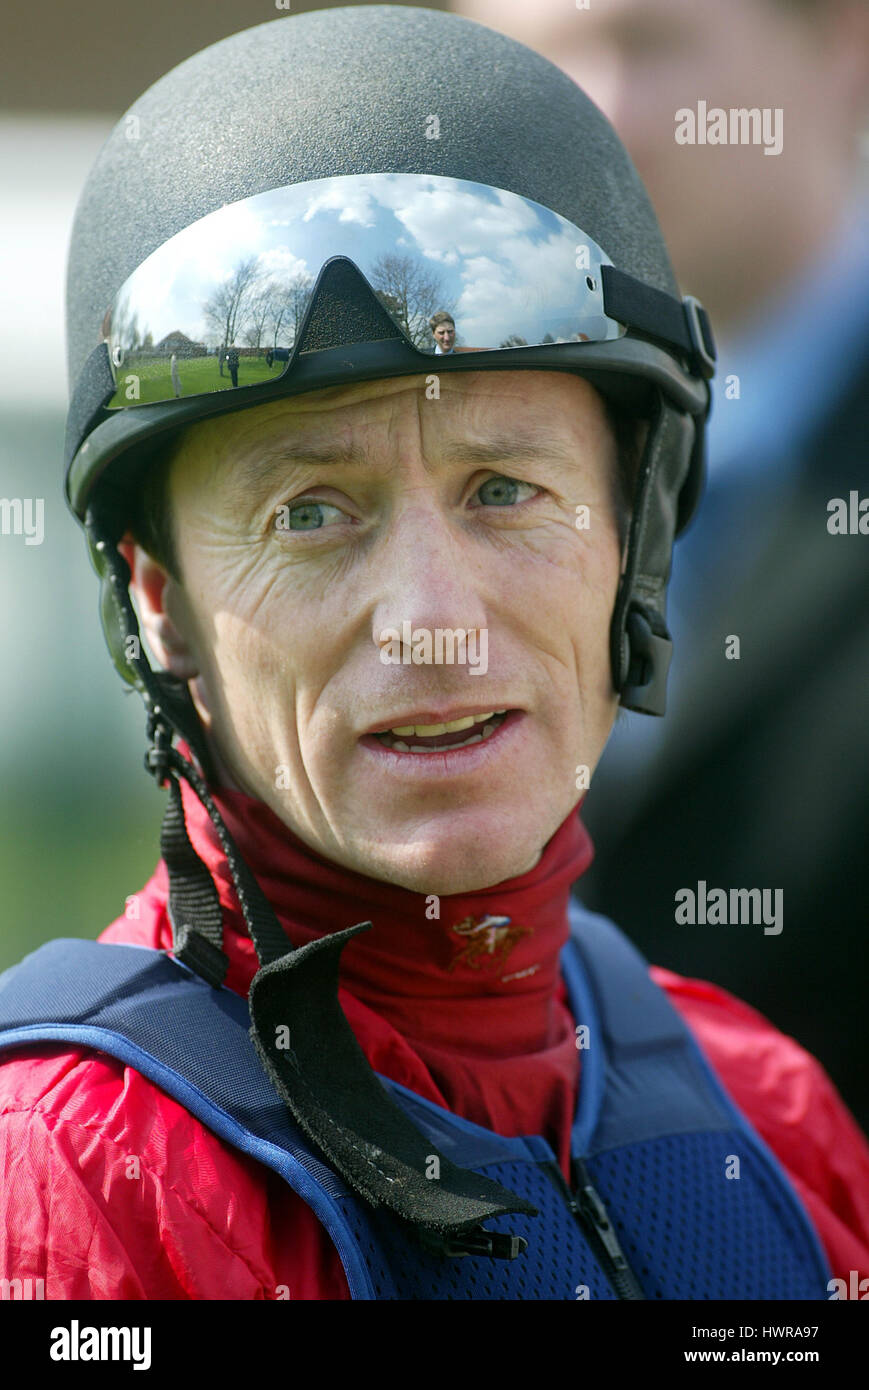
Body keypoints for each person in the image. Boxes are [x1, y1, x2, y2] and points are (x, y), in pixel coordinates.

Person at [0, 6, 866, 1302]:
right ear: (159, 597)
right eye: (310, 512)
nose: (430, 617)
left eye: (504, 489)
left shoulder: (775, 1113)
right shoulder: (72, 1176)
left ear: (629, 540)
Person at [452, 0, 869, 1134]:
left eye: (649, 42)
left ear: (841, 45)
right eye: (540, 60)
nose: (597, 114)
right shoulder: (414, 456)